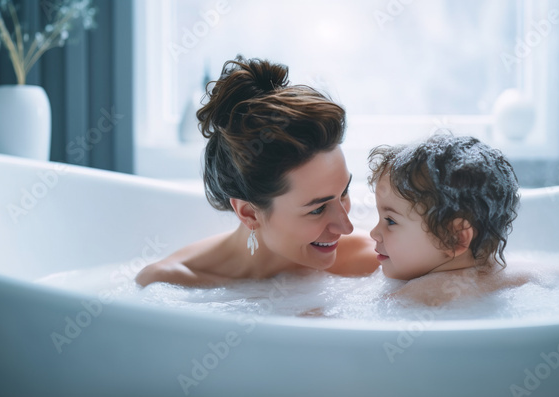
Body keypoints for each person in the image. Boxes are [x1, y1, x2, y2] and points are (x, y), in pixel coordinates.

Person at [136, 56, 378, 287]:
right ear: (249, 213)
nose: (346, 226)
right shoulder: (171, 286)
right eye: (317, 208)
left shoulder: (374, 263)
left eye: (343, 193)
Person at [368, 133, 559, 306]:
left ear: (454, 237)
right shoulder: (533, 274)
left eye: (390, 221)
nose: (374, 233)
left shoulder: (420, 296)